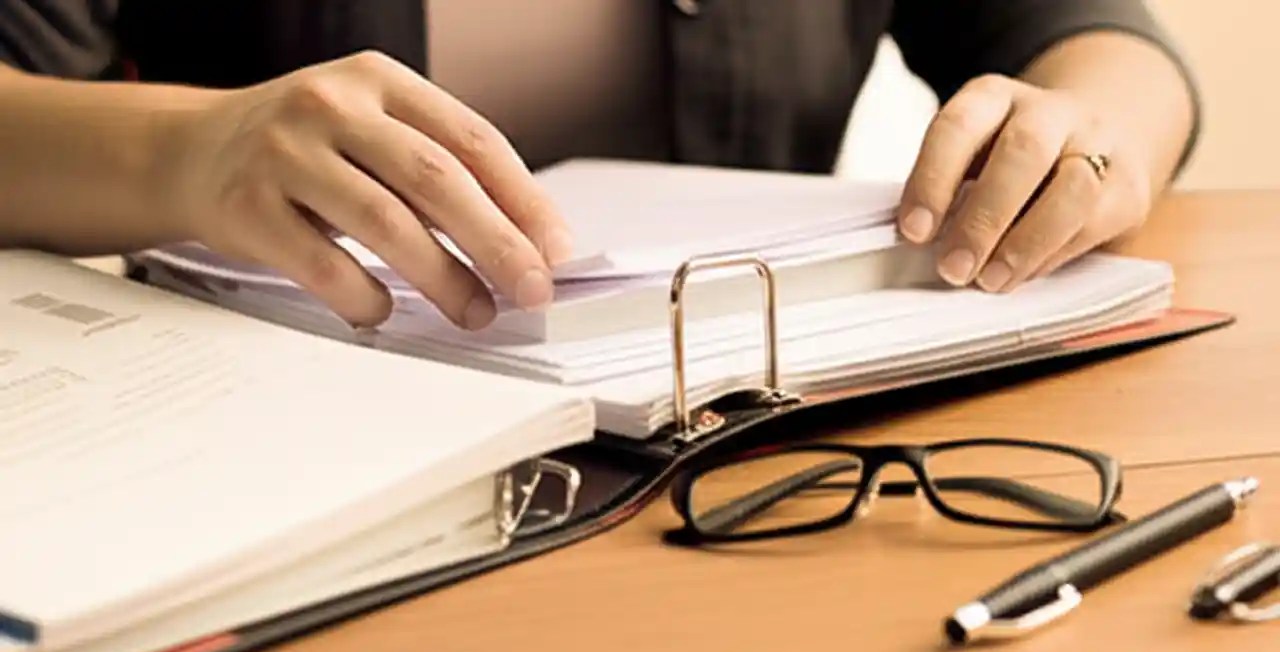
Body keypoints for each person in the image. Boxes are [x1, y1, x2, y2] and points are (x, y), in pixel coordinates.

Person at [0, 1, 1199, 332]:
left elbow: (1098, 42)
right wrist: (190, 149)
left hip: (749, 450)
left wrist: (1090, 136)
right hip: (283, 437)